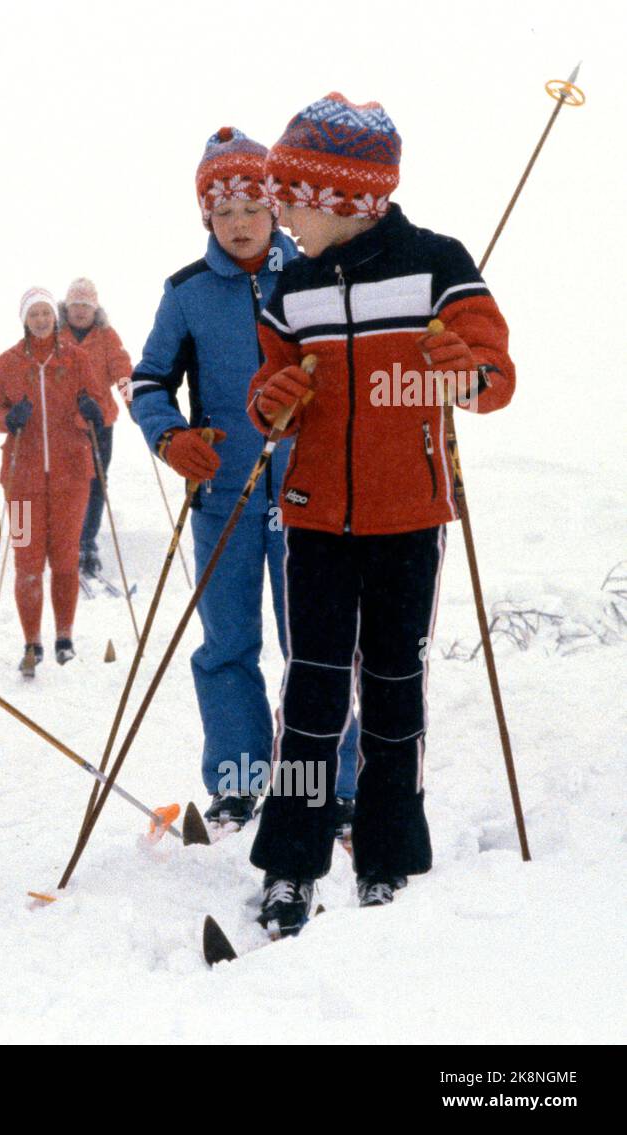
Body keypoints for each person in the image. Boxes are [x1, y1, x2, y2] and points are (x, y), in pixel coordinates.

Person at [246, 93, 515, 934]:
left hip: (408, 517)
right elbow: (269, 396)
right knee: (312, 697)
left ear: (341, 199)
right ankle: (292, 863)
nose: (281, 213)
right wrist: (273, 403)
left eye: (292, 197)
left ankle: (388, 855)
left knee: (396, 692)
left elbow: (494, 382)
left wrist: (458, 367)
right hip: (316, 518)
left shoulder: (438, 264)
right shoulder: (289, 285)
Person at [128, 127, 361, 837]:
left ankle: (332, 783)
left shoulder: (317, 276)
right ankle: (238, 782)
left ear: (274, 207)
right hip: (223, 494)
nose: (237, 223)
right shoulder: (188, 294)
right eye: (222, 210)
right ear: (206, 215)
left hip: (308, 495)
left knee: (315, 643)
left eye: (251, 208)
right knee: (227, 643)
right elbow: (148, 383)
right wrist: (172, 437)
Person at [0, 287, 107, 675]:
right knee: (27, 562)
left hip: (72, 477)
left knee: (66, 558)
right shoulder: (6, 362)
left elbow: (101, 407)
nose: (40, 320)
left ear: (54, 317)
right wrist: (9, 420)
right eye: (33, 314)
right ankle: (32, 643)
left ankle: (64, 638)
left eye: (45, 313)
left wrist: (88, 412)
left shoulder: (77, 358)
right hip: (20, 480)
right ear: (24, 319)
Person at [58, 278, 132, 580]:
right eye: (75, 305)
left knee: (96, 482)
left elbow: (122, 369)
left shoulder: (106, 336)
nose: (80, 311)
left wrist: (134, 402)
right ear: (67, 307)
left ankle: (87, 543)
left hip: (101, 422)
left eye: (85, 306)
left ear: (94, 308)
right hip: (64, 424)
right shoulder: (54, 333)